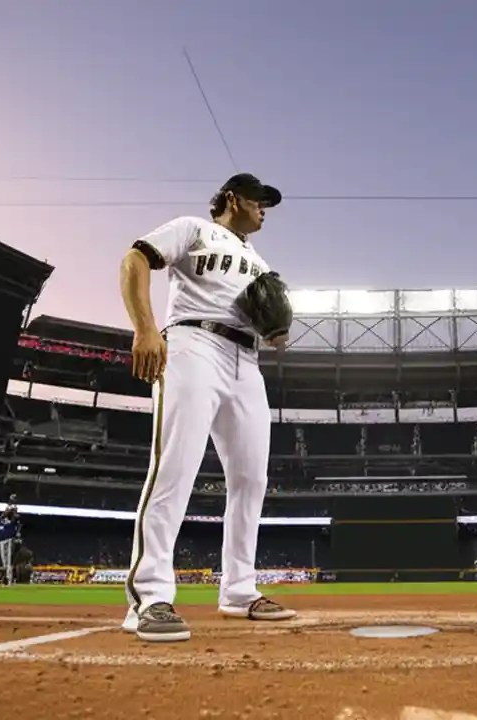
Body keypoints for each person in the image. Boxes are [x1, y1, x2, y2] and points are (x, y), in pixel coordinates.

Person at [117, 173, 297, 643]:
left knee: (251, 480)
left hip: (247, 362)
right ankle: (149, 597)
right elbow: (135, 259)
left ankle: (238, 591)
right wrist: (145, 328)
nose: (264, 209)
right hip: (193, 344)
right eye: (258, 200)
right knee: (174, 467)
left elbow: (273, 332)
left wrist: (276, 331)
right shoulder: (194, 229)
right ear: (233, 199)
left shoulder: (260, 262)